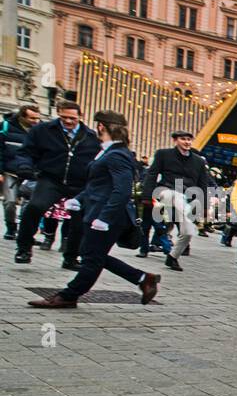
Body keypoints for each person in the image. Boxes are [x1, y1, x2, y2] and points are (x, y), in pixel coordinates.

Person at [26, 111, 159, 309]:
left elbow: (121, 190)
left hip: (108, 216)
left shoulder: (117, 155)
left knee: (91, 258)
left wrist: (105, 218)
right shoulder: (107, 151)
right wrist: (78, 200)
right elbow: (98, 184)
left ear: (101, 127)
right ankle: (143, 278)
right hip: (98, 211)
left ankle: (68, 295)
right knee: (91, 254)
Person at [11, 100, 100, 267]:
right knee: (34, 207)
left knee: (80, 219)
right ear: (58, 113)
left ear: (80, 117)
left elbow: (98, 160)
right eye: (64, 117)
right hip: (51, 179)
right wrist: (24, 166)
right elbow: (26, 152)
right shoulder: (42, 130)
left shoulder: (91, 136)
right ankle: (23, 249)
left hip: (79, 183)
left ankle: (71, 257)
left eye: (72, 118)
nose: (68, 121)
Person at [143, 130, 215, 271]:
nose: (187, 142)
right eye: (183, 139)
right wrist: (147, 196)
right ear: (175, 140)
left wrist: (205, 206)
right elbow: (152, 174)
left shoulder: (198, 161)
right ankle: (164, 227)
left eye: (189, 139)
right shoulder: (163, 154)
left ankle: (173, 257)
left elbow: (203, 184)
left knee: (188, 232)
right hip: (166, 191)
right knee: (175, 196)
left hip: (187, 197)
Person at [2, 104, 41, 239]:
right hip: (10, 171)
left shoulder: (41, 130)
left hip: (31, 173)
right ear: (22, 117)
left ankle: (25, 232)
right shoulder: (6, 127)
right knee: (10, 202)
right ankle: (11, 228)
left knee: (30, 205)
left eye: (37, 118)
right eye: (32, 118)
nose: (35, 121)